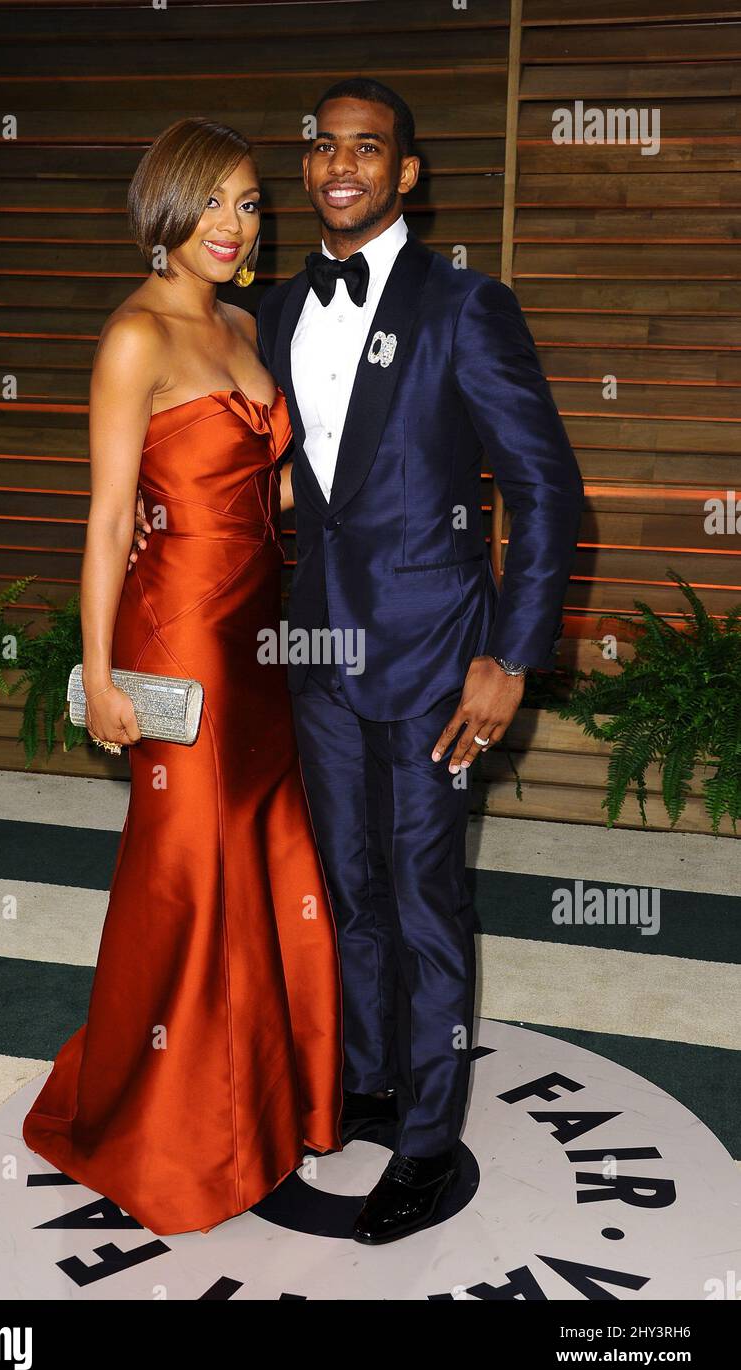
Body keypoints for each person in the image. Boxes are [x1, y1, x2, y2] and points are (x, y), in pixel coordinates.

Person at [132, 79, 584, 1246]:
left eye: (367, 147)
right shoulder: (267, 313)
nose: (340, 164)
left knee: (425, 892)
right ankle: (371, 1078)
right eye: (324, 146)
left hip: (441, 657)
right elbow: (226, 452)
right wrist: (155, 519)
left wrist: (509, 656)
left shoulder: (466, 305)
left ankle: (427, 1142)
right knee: (344, 886)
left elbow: (545, 490)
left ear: (405, 173)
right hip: (313, 650)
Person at [22, 117, 343, 1238]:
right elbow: (110, 519)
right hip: (179, 641)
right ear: (164, 205)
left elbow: (267, 497)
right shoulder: (134, 339)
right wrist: (99, 670)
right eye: (211, 201)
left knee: (265, 863)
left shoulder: (246, 322)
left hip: (259, 637)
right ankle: (177, 1132)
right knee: (198, 879)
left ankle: (268, 1106)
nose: (232, 224)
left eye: (250, 203)